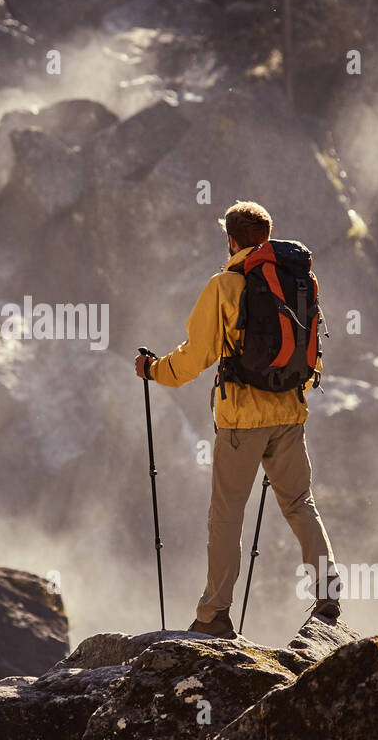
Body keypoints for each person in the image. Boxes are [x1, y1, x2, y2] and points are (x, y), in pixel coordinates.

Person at [134, 201, 340, 639]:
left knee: (227, 516)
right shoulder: (300, 281)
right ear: (266, 237)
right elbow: (309, 351)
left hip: (241, 420)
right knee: (300, 503)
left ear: (231, 240)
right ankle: (327, 592)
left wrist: (153, 370)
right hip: (290, 412)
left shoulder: (225, 285)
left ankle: (214, 615)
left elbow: (194, 357)